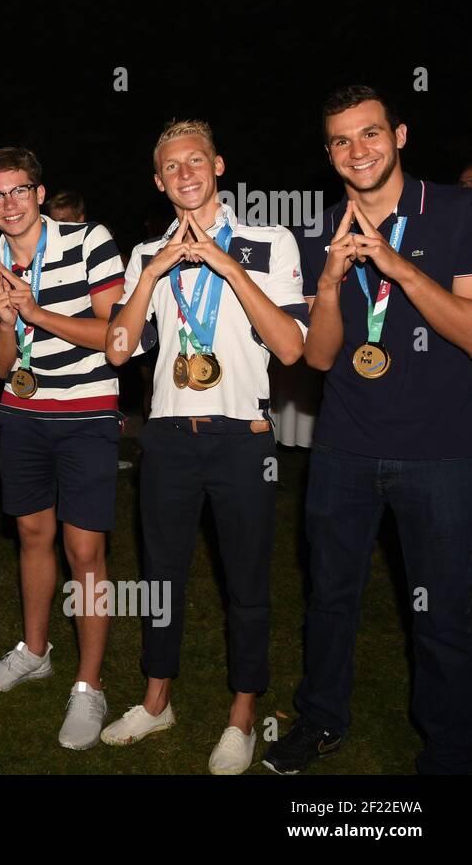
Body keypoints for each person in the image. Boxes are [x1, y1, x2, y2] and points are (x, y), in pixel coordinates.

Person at [264, 85, 472, 776]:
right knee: (329, 598)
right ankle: (320, 718)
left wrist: (398, 267)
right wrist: (328, 284)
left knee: (443, 615)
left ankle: (448, 747)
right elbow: (319, 357)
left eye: (371, 133)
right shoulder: (317, 229)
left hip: (443, 451)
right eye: (342, 141)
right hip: (344, 448)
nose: (359, 150)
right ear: (329, 154)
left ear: (400, 134)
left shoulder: (456, 210)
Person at [103, 120, 307, 773]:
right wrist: (155, 272)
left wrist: (226, 265)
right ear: (159, 180)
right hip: (165, 436)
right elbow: (117, 348)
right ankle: (156, 697)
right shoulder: (145, 253)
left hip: (242, 437)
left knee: (245, 582)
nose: (185, 172)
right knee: (161, 576)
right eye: (172, 166)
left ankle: (243, 713)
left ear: (218, 164)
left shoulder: (267, 240)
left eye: (196, 160)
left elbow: (291, 346)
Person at [0, 146, 125, 750]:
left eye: (19, 190)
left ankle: (90, 685)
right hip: (23, 416)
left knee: (84, 550)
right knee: (33, 536)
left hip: (87, 415)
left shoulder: (89, 241)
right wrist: (8, 324)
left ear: (39, 191)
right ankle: (35, 650)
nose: (9, 204)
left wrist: (36, 310)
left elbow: (115, 336)